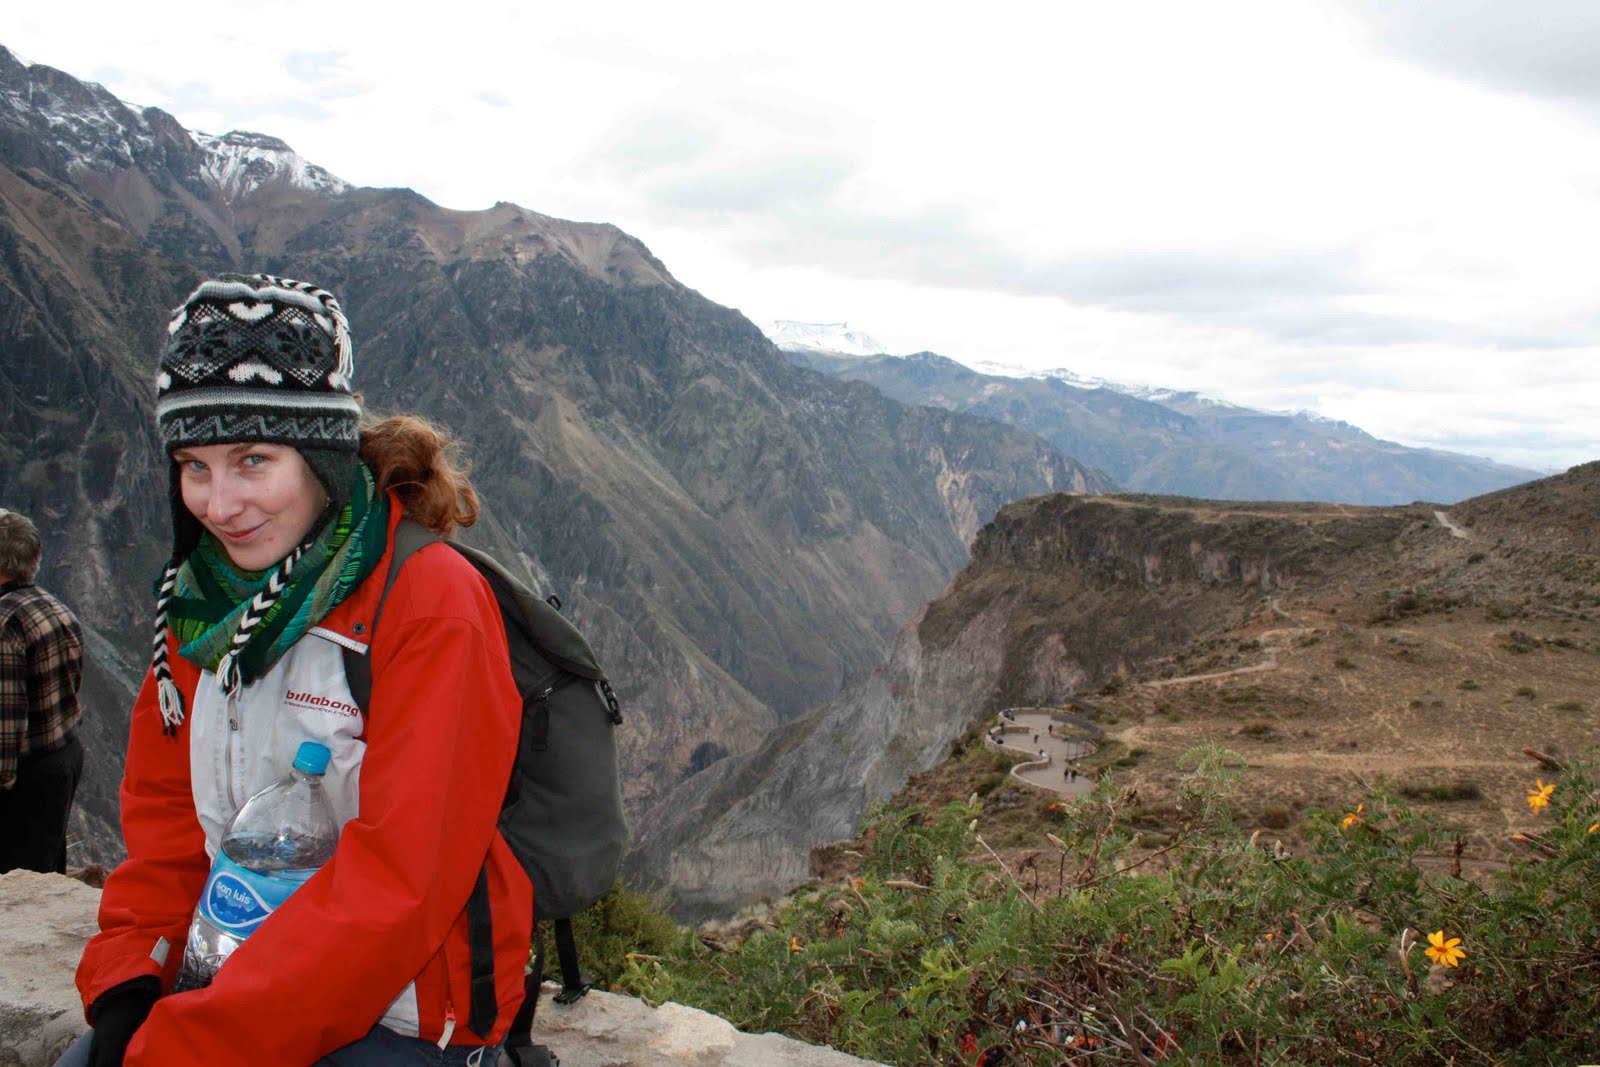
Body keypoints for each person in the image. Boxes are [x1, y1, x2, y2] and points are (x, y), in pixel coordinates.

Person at [60, 275, 531, 1066]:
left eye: (252, 459)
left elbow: (400, 886)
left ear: (320, 455)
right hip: (229, 973)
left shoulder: (430, 601)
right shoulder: (202, 603)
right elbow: (168, 820)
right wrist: (129, 980)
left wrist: (196, 1041)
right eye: (194, 465)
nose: (219, 503)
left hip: (399, 1014)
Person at [0, 509, 85, 874]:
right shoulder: (53, 607)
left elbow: (4, 720)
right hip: (64, 754)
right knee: (47, 861)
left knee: (13, 873)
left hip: (24, 774)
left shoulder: (5, 623)